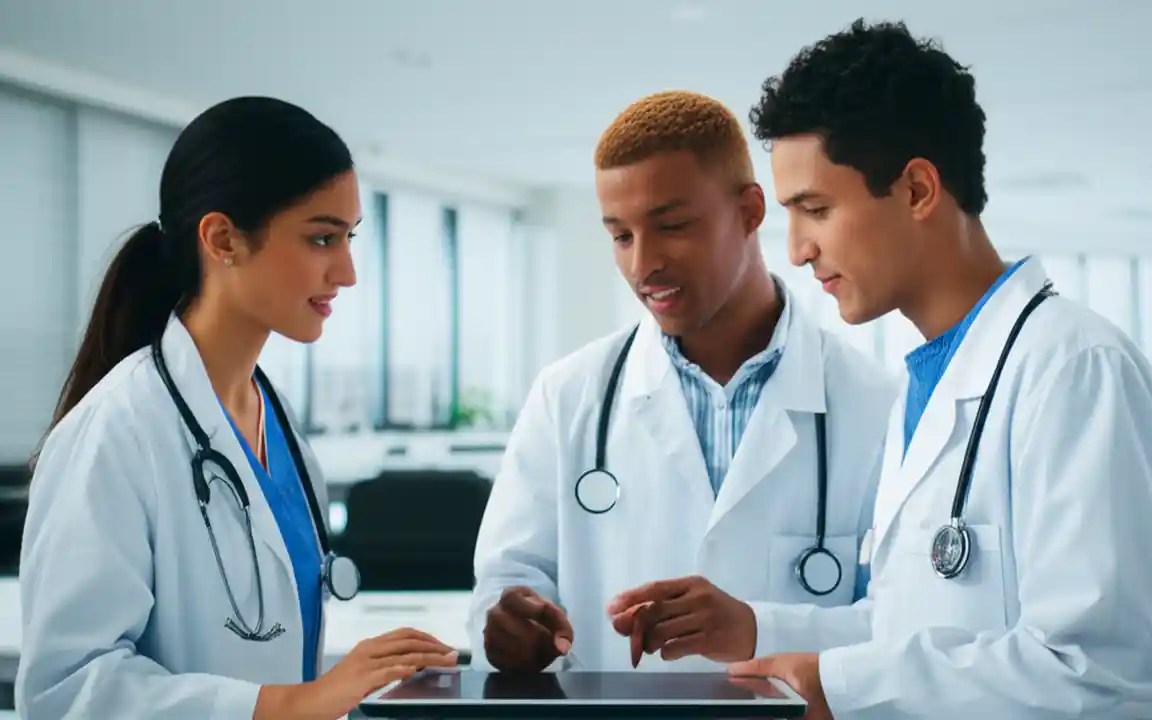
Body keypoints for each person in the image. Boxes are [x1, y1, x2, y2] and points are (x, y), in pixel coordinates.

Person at [727, 20, 1152, 718]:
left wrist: (840, 687)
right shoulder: (926, 385)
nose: (797, 250)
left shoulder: (1076, 369)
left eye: (815, 209)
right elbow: (906, 631)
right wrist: (757, 629)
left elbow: (1097, 675)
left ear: (916, 190)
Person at [18, 97, 457, 720]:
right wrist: (296, 703)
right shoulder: (117, 429)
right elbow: (66, 691)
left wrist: (340, 689)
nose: (348, 272)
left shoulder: (276, 423)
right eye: (322, 238)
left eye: (349, 237)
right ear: (223, 239)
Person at [468, 90, 897, 673]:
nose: (642, 265)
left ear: (749, 212)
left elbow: (904, 625)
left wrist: (760, 629)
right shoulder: (567, 397)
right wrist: (509, 629)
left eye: (672, 226)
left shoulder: (878, 402)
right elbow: (507, 581)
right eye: (621, 236)